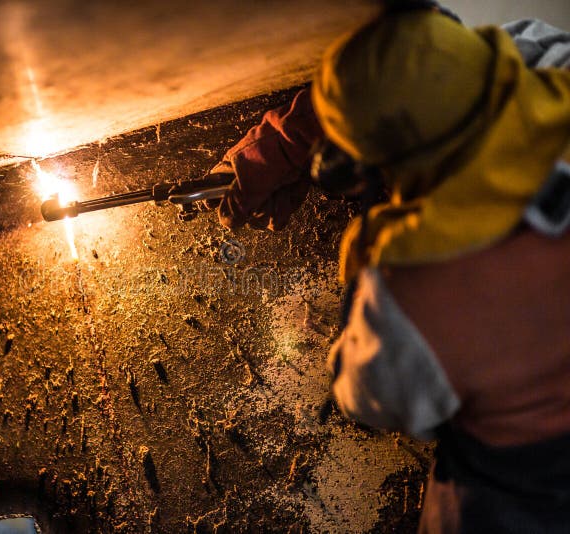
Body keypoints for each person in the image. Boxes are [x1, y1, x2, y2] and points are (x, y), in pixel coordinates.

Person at [211, 5, 570, 532]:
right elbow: (433, 63)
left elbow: (368, 400)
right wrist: (290, 139)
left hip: (530, 498)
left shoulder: (416, 295)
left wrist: (364, 271)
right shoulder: (554, 68)